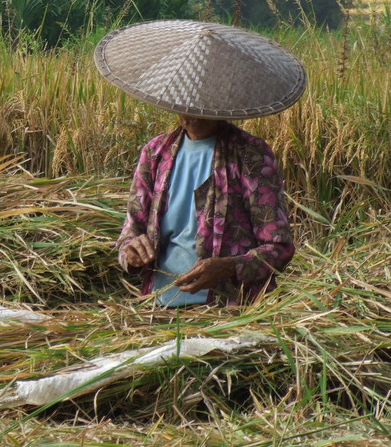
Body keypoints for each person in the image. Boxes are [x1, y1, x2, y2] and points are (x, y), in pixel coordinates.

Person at [93, 20, 304, 306]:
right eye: (182, 107)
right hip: (160, 304)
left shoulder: (251, 156)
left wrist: (228, 267)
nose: (189, 116)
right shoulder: (155, 154)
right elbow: (131, 230)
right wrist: (131, 249)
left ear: (221, 105)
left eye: (201, 108)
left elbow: (279, 248)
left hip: (229, 311)